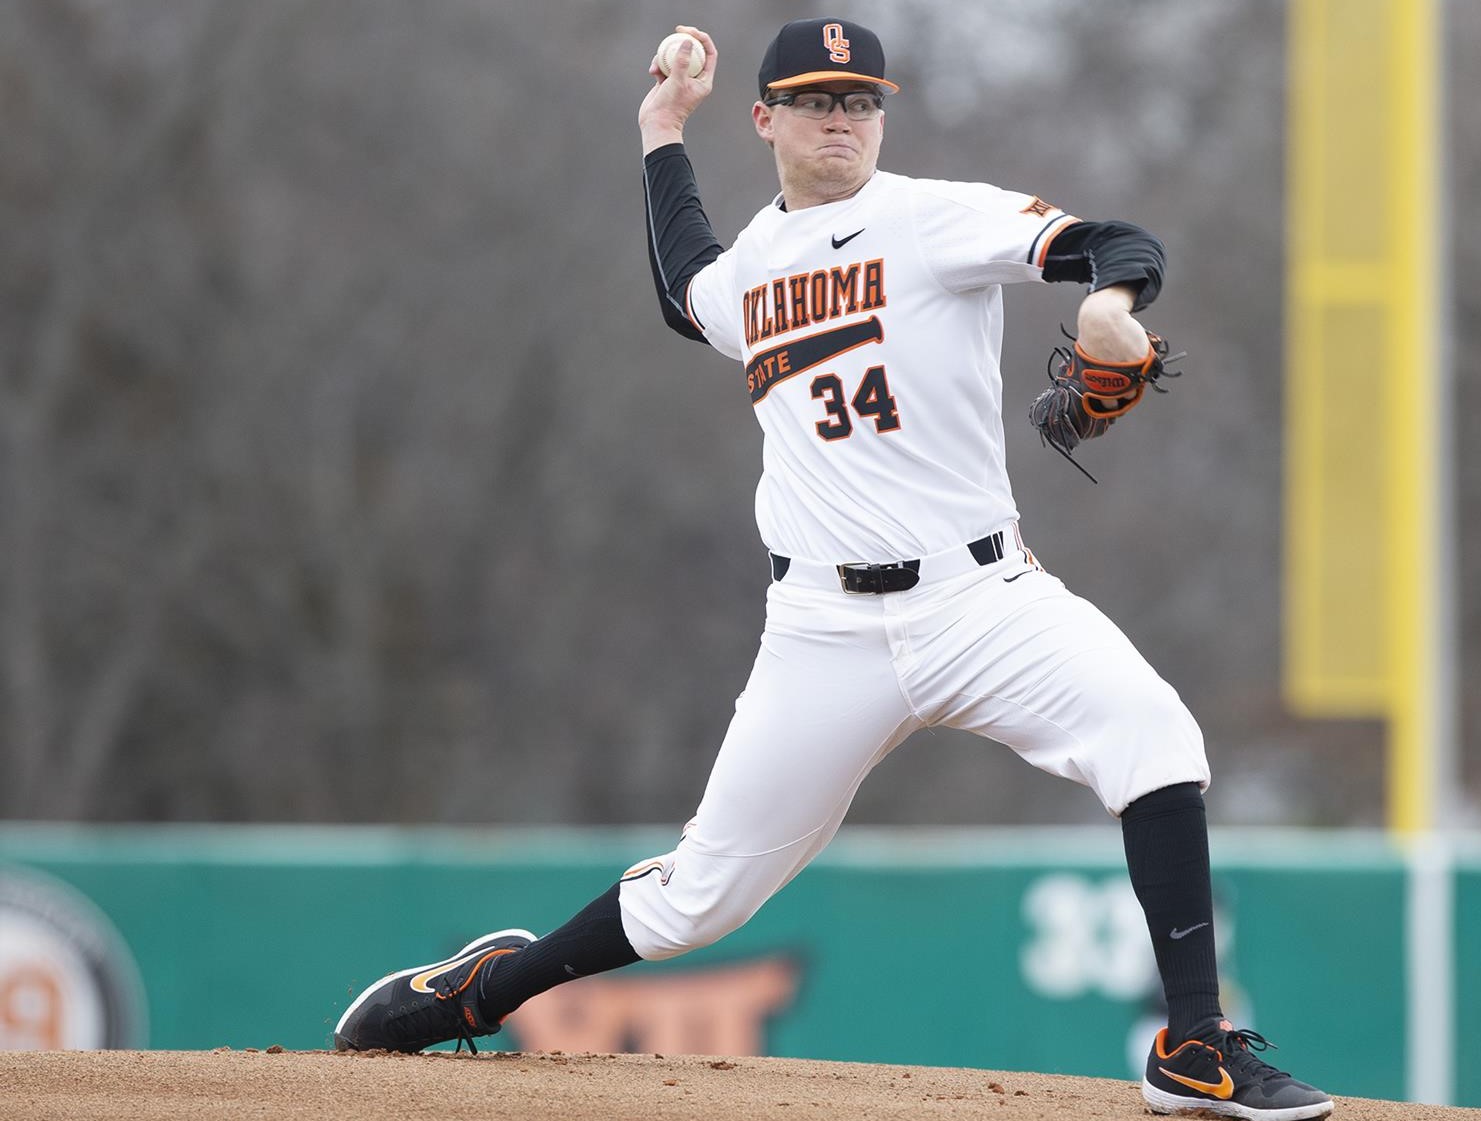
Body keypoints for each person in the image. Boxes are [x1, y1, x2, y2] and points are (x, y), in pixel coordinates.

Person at [333, 17, 1333, 1121]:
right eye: (815, 101)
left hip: (981, 598)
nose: (841, 120)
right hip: (821, 628)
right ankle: (481, 991)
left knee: (1156, 735)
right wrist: (660, 128)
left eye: (859, 102)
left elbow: (1112, 240)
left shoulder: (930, 215)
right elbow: (684, 289)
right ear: (764, 119)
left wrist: (1107, 304)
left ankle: (1191, 1043)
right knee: (694, 906)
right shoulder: (752, 265)